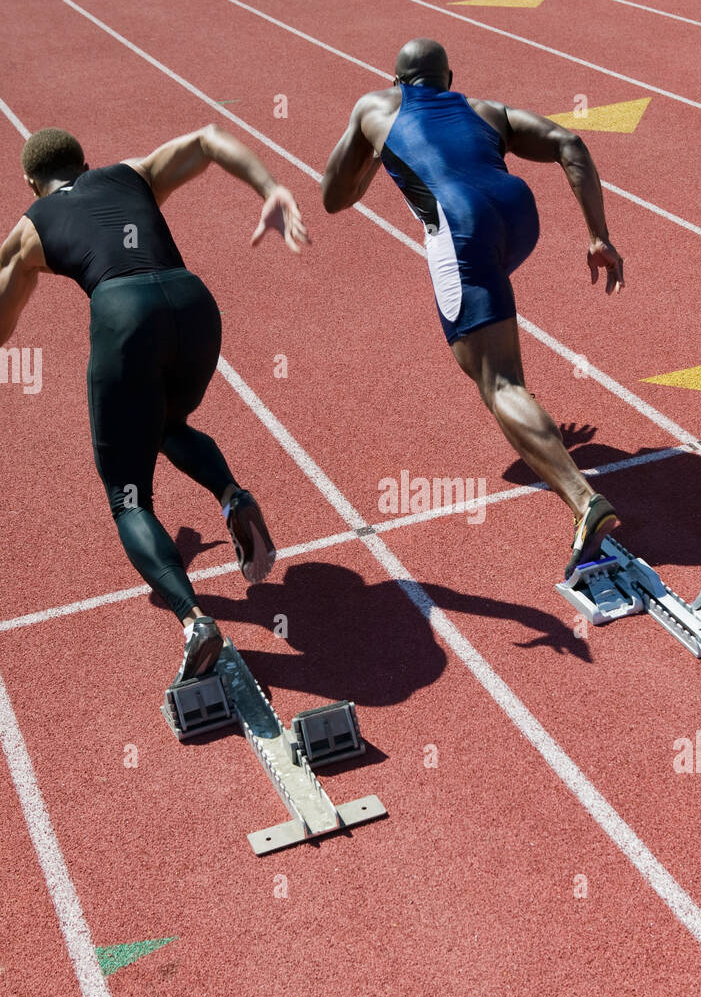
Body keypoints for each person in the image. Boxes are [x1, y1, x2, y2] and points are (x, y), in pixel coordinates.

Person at [0, 123, 308, 680]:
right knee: (166, 422)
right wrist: (270, 189)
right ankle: (231, 496)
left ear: (29, 181)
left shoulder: (29, 231)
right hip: (193, 304)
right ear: (84, 161)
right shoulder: (131, 174)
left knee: (128, 497)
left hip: (125, 318)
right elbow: (210, 139)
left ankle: (195, 621)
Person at [322, 38, 625, 578]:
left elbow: (334, 196)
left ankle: (584, 503)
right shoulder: (484, 111)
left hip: (461, 226)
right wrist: (598, 235)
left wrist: (373, 151)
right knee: (484, 336)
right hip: (518, 216)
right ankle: (514, 388)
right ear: (449, 77)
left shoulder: (374, 108)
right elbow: (568, 141)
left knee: (497, 382)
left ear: (395, 81)